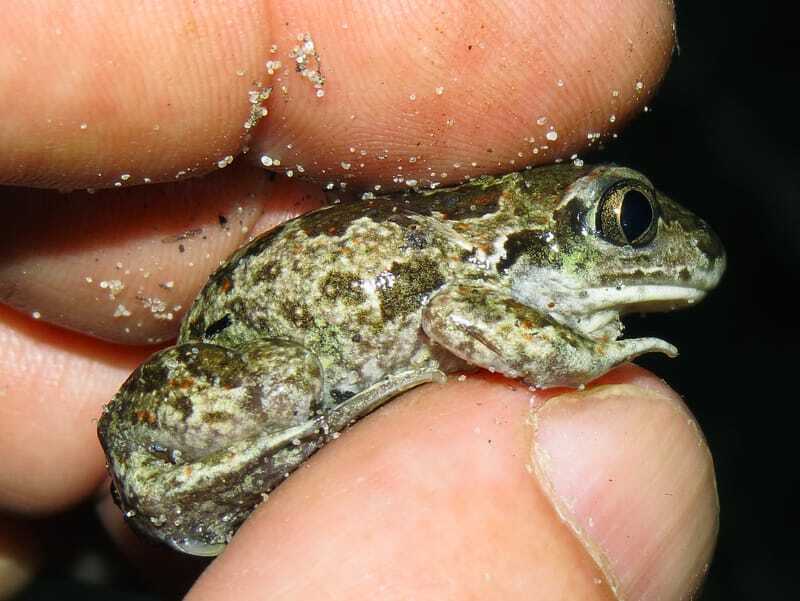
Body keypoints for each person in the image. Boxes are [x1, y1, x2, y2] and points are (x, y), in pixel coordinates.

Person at [0, 2, 717, 599]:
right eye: (629, 222)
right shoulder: (485, 282)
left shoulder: (499, 265)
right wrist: (578, 354)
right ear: (553, 234)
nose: (639, 236)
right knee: (290, 380)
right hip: (255, 355)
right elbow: (453, 314)